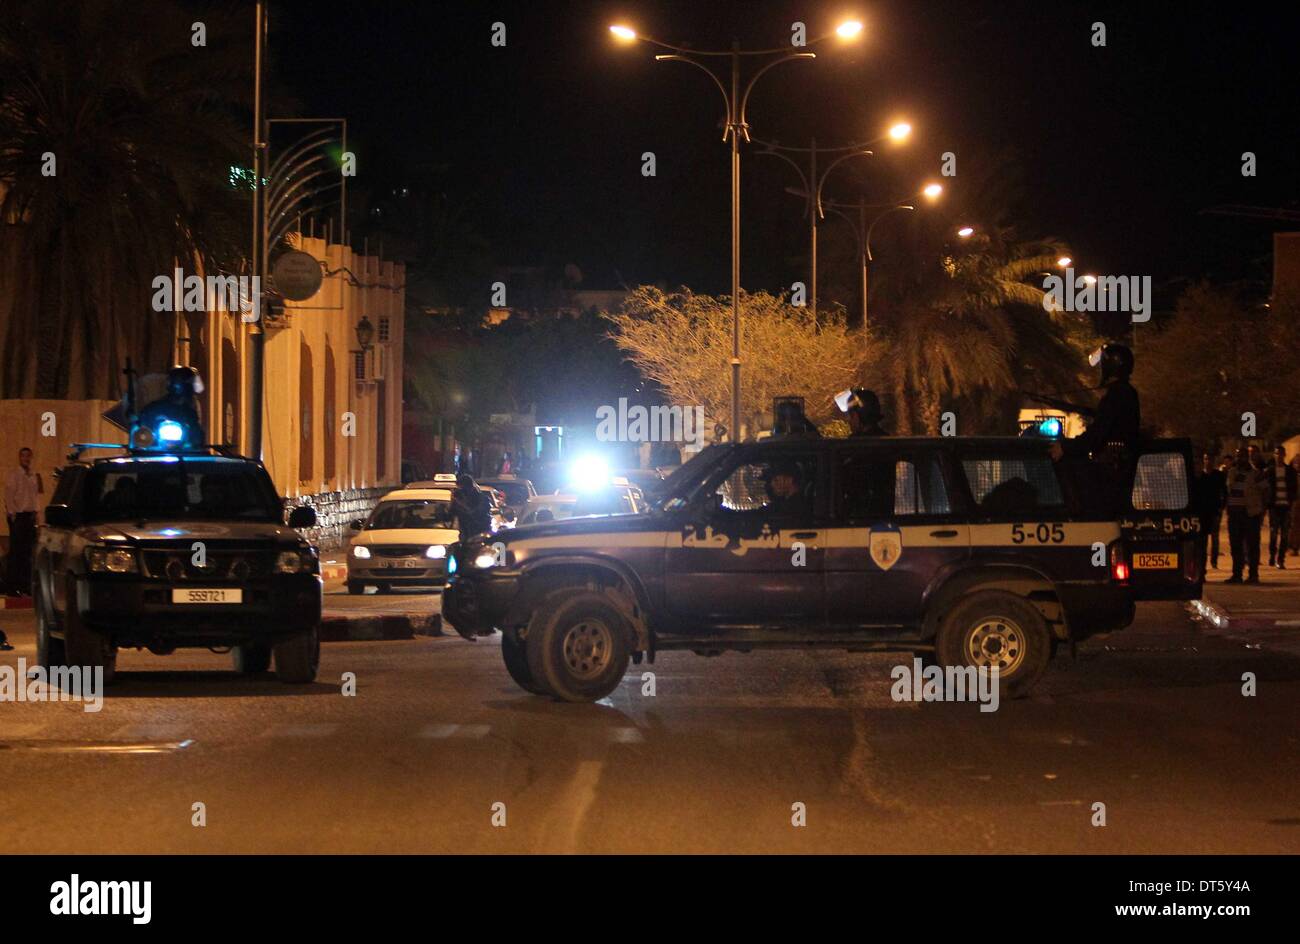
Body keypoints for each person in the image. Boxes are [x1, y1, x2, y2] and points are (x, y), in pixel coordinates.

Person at [1049, 344, 1140, 515]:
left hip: (1111, 471)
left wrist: (1066, 447)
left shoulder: (1116, 395)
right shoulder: (1127, 392)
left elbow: (1097, 433)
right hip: (1119, 469)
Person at [1224, 446, 1268, 584]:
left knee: (1252, 545)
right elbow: (1227, 490)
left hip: (1250, 514)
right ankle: (1237, 574)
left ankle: (1253, 575)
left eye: (1242, 456)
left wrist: (1261, 509)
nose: (1239, 459)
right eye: (1238, 456)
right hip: (1234, 514)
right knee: (1235, 545)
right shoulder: (1231, 472)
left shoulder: (1256, 473)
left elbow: (1266, 490)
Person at [1191, 452, 1227, 572]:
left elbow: (1224, 492)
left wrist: (1221, 507)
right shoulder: (1199, 477)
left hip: (1214, 511)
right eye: (1206, 459)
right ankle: (1203, 566)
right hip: (1202, 512)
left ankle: (1214, 561)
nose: (1208, 461)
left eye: (1210, 458)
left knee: (1215, 538)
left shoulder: (1218, 475)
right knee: (1203, 540)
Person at [1267, 445, 1296, 569]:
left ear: (1284, 455)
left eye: (1281, 454)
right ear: (1274, 455)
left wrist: (1291, 502)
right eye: (1276, 453)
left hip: (1286, 506)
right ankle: (1272, 555)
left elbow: (1294, 488)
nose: (1278, 456)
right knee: (1273, 533)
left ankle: (1281, 559)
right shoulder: (1270, 471)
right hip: (1274, 506)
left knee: (1284, 534)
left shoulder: (1290, 471)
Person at [451, 474, 492, 542]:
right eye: (460, 489)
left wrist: (463, 505)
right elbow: (451, 515)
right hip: (465, 534)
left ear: (471, 487)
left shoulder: (482, 499)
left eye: (464, 489)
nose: (463, 492)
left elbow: (477, 514)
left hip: (480, 534)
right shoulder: (459, 499)